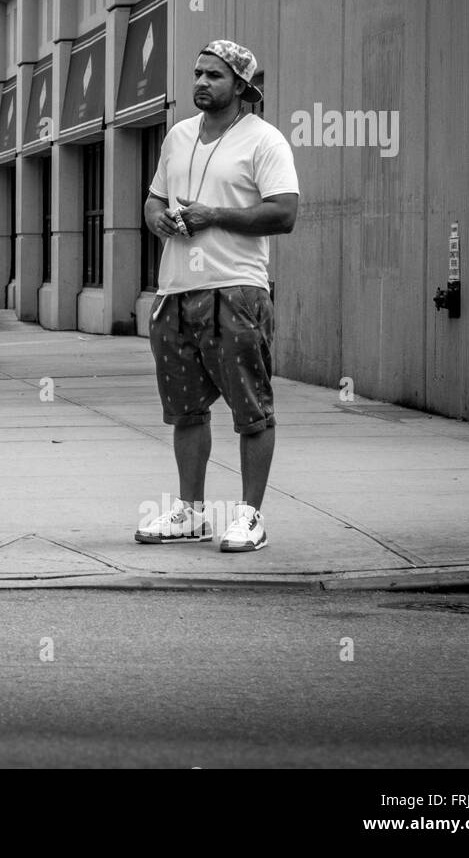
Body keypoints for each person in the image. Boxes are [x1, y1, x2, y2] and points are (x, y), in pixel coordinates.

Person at [135, 40, 298, 553]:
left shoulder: (264, 140)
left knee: (252, 409)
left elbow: (285, 213)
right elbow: (154, 198)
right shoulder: (178, 136)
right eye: (198, 73)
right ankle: (191, 512)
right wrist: (156, 217)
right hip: (176, 290)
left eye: (215, 76)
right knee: (185, 410)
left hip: (237, 290)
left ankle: (250, 516)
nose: (202, 83)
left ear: (241, 86)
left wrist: (216, 215)